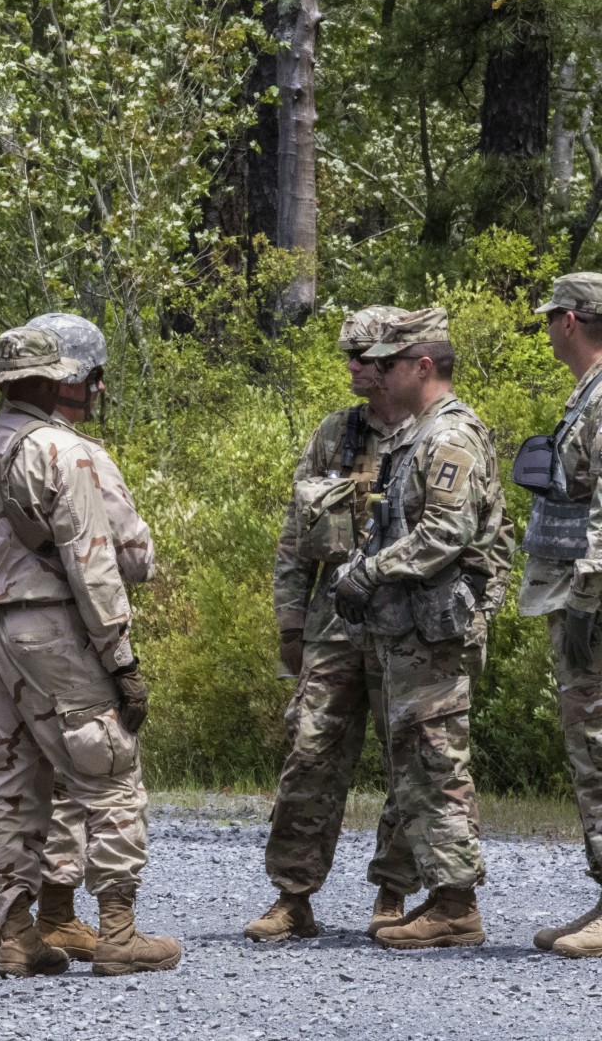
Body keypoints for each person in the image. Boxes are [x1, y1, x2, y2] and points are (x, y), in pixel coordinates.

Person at [0, 324, 181, 977]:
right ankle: (119, 935)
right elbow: (92, 562)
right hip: (52, 632)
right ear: (47, 381)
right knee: (109, 770)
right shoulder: (62, 452)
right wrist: (120, 660)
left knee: (9, 785)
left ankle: (16, 936)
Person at [331, 307, 513, 949]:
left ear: (423, 366)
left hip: (435, 633)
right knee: (415, 760)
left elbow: (446, 533)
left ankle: (456, 904)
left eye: (388, 365)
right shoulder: (419, 433)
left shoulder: (450, 436)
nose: (376, 375)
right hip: (409, 629)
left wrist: (370, 572)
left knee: (437, 760)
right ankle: (441, 897)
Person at [245, 307, 423, 942]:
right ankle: (293, 895)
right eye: (349, 357)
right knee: (309, 751)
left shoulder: (436, 430)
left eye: (364, 359)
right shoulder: (335, 435)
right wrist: (290, 624)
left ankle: (393, 894)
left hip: (411, 625)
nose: (352, 369)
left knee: (412, 756)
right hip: (333, 625)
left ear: (394, 362)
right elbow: (295, 541)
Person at [518, 272, 602, 957]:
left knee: (600, 743)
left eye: (551, 318)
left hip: (594, 602)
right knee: (588, 745)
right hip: (579, 596)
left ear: (571, 321)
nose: (546, 328)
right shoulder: (587, 394)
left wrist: (587, 594)